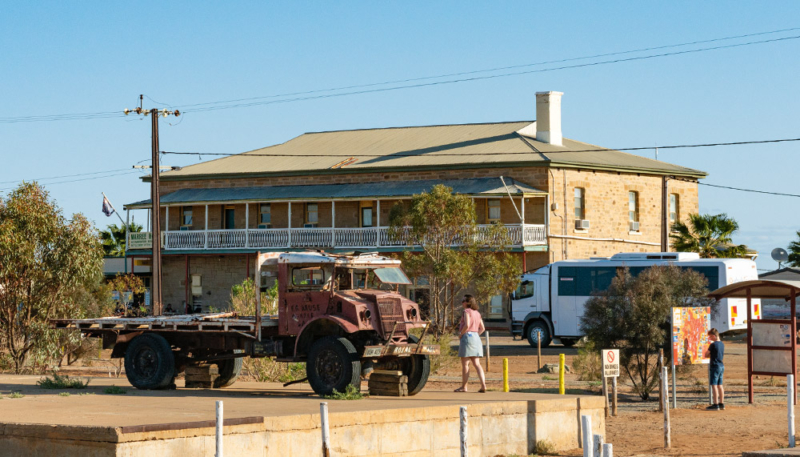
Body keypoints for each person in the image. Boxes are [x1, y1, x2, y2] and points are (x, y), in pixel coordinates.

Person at [455, 295, 487, 393]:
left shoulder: (466, 312)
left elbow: (467, 324)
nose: (462, 302)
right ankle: (483, 385)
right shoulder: (477, 313)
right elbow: (482, 328)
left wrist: (461, 334)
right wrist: (475, 334)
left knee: (465, 364)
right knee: (477, 364)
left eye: (463, 300)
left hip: (467, 337)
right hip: (476, 338)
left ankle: (464, 387)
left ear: (468, 302)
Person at [703, 328, 725, 410]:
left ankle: (715, 404)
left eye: (710, 337)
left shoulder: (713, 345)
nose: (710, 339)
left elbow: (706, 354)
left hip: (715, 366)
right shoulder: (722, 344)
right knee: (720, 385)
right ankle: (721, 403)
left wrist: (709, 354)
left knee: (714, 385)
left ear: (713, 336)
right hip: (721, 365)